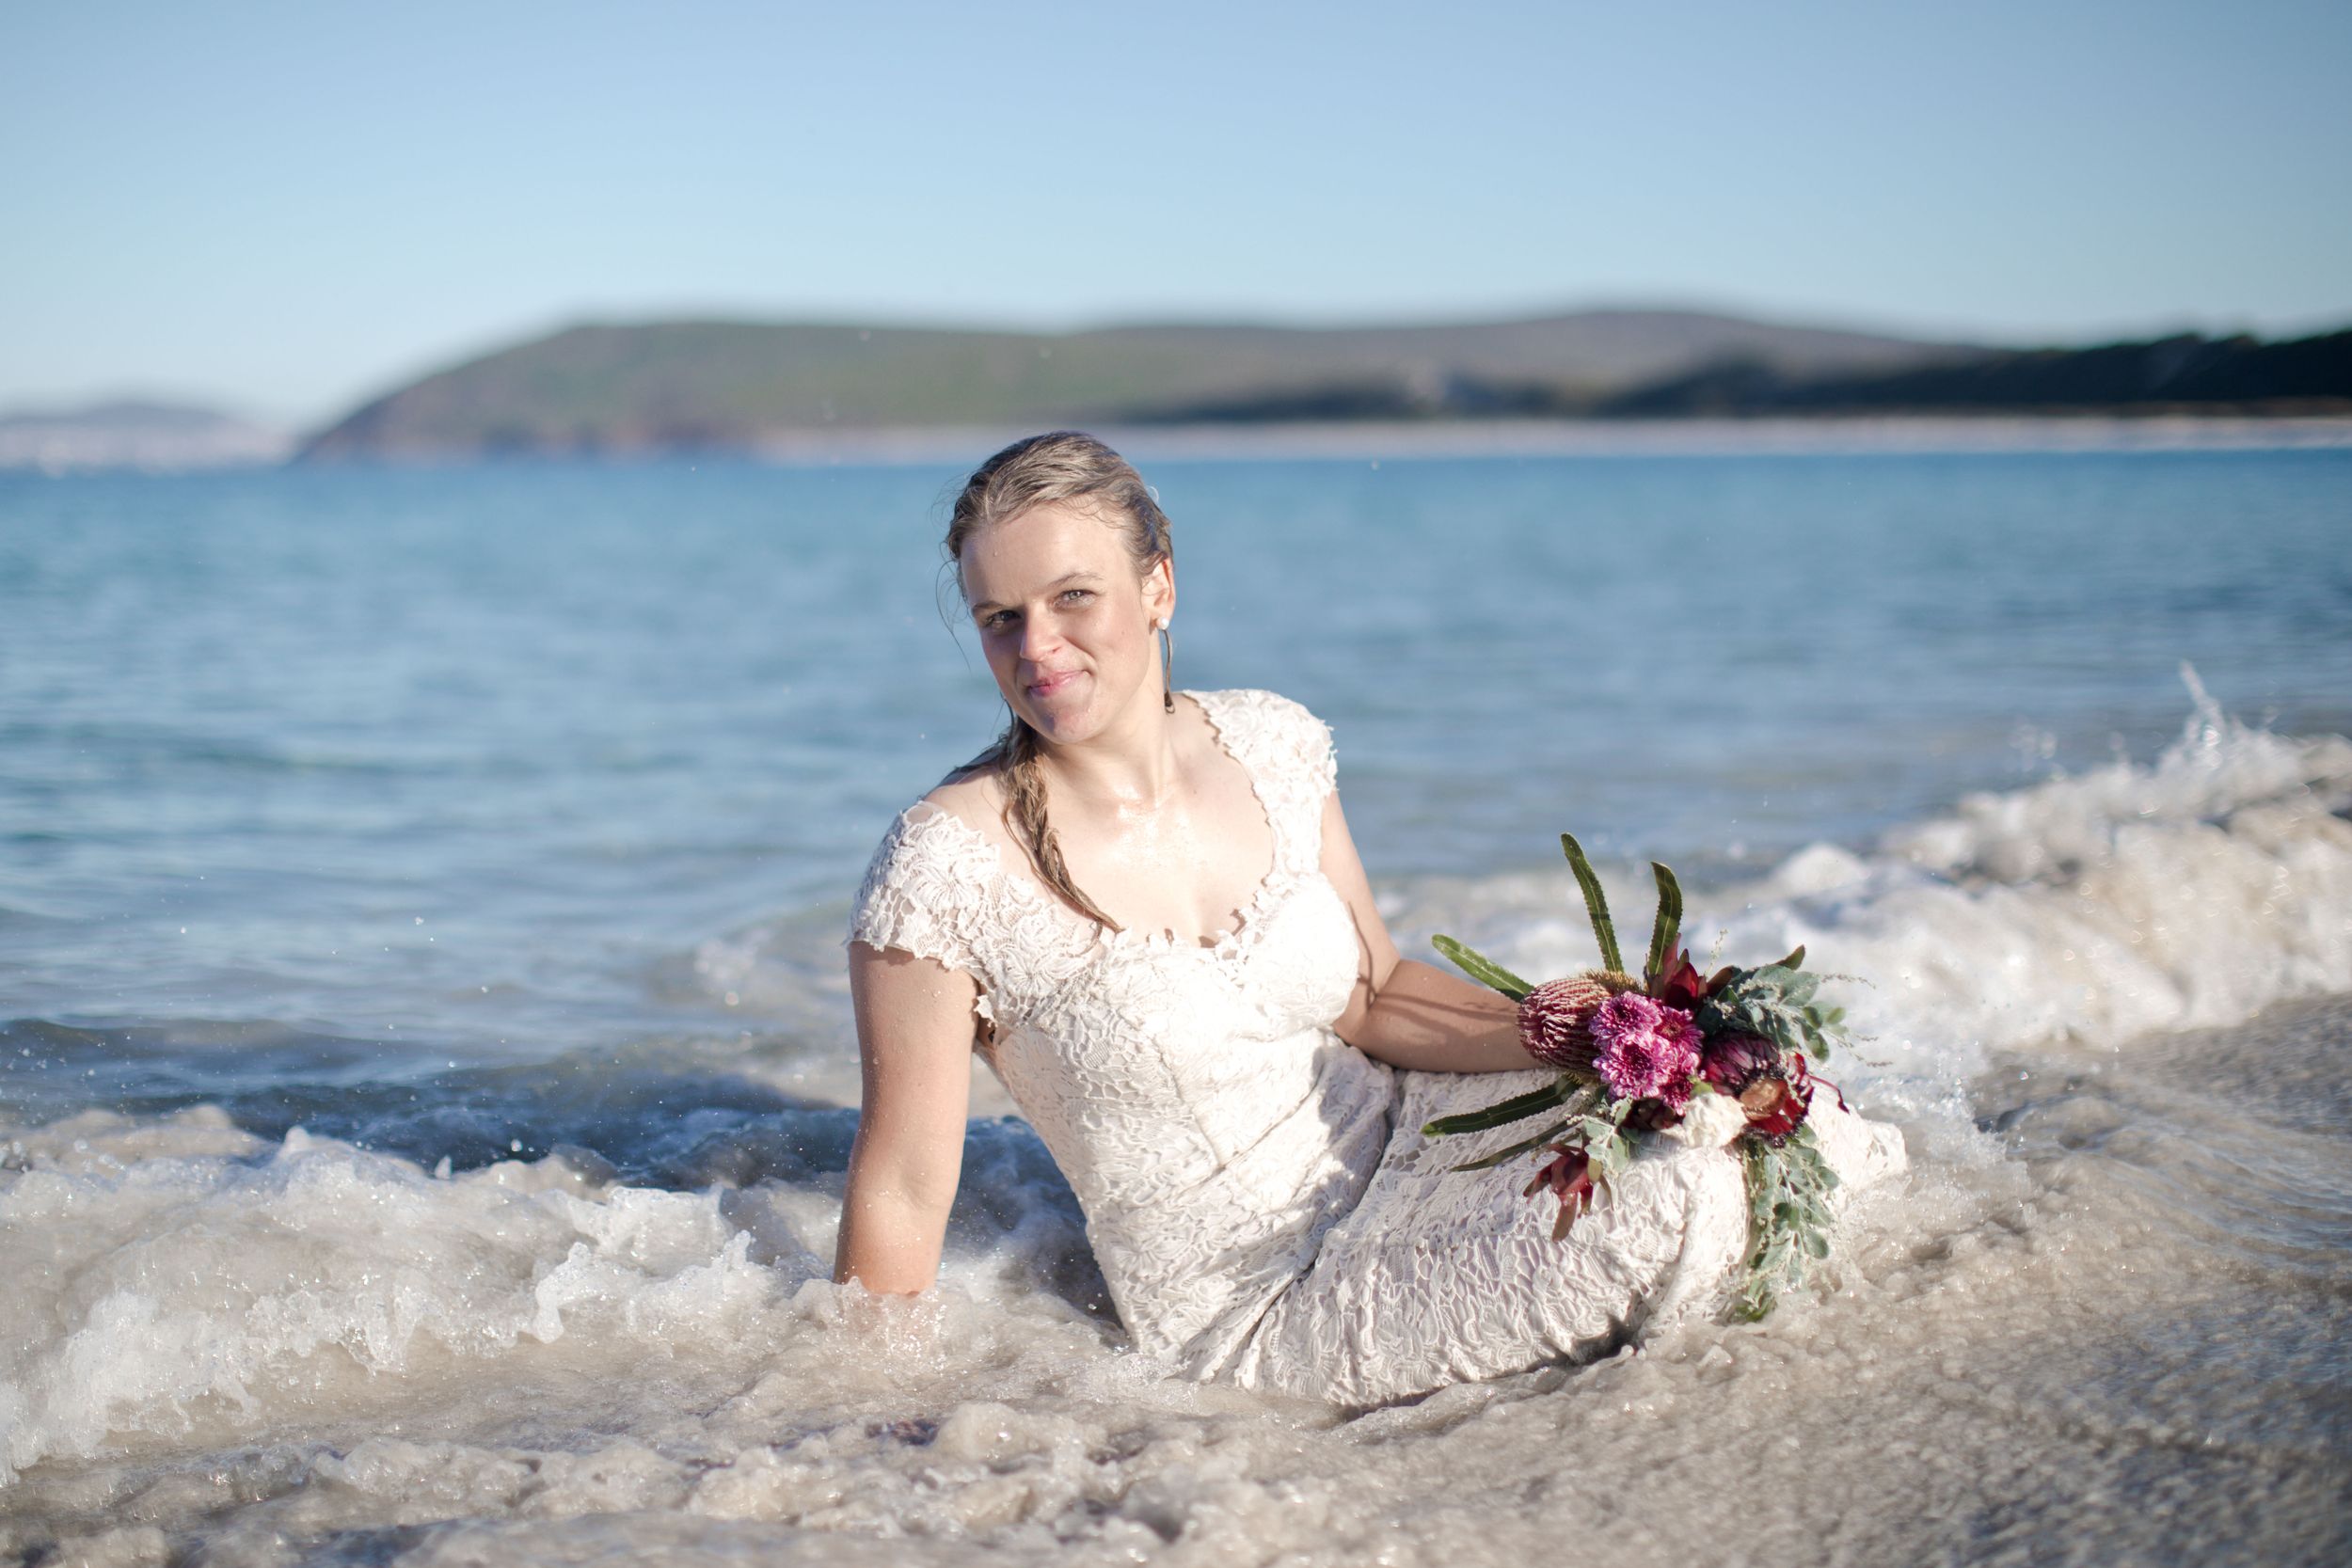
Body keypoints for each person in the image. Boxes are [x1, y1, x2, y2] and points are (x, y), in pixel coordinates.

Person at [835, 431, 1906, 1406]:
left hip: (1411, 1134)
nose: (1038, 646)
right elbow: (904, 1178)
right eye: (999, 618)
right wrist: (870, 1421)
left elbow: (1372, 992)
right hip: (1262, 1298)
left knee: (1753, 1100)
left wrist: (1572, 1027)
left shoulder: (1271, 743)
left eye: (1074, 596)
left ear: (1158, 585)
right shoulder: (945, 868)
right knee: (1677, 1201)